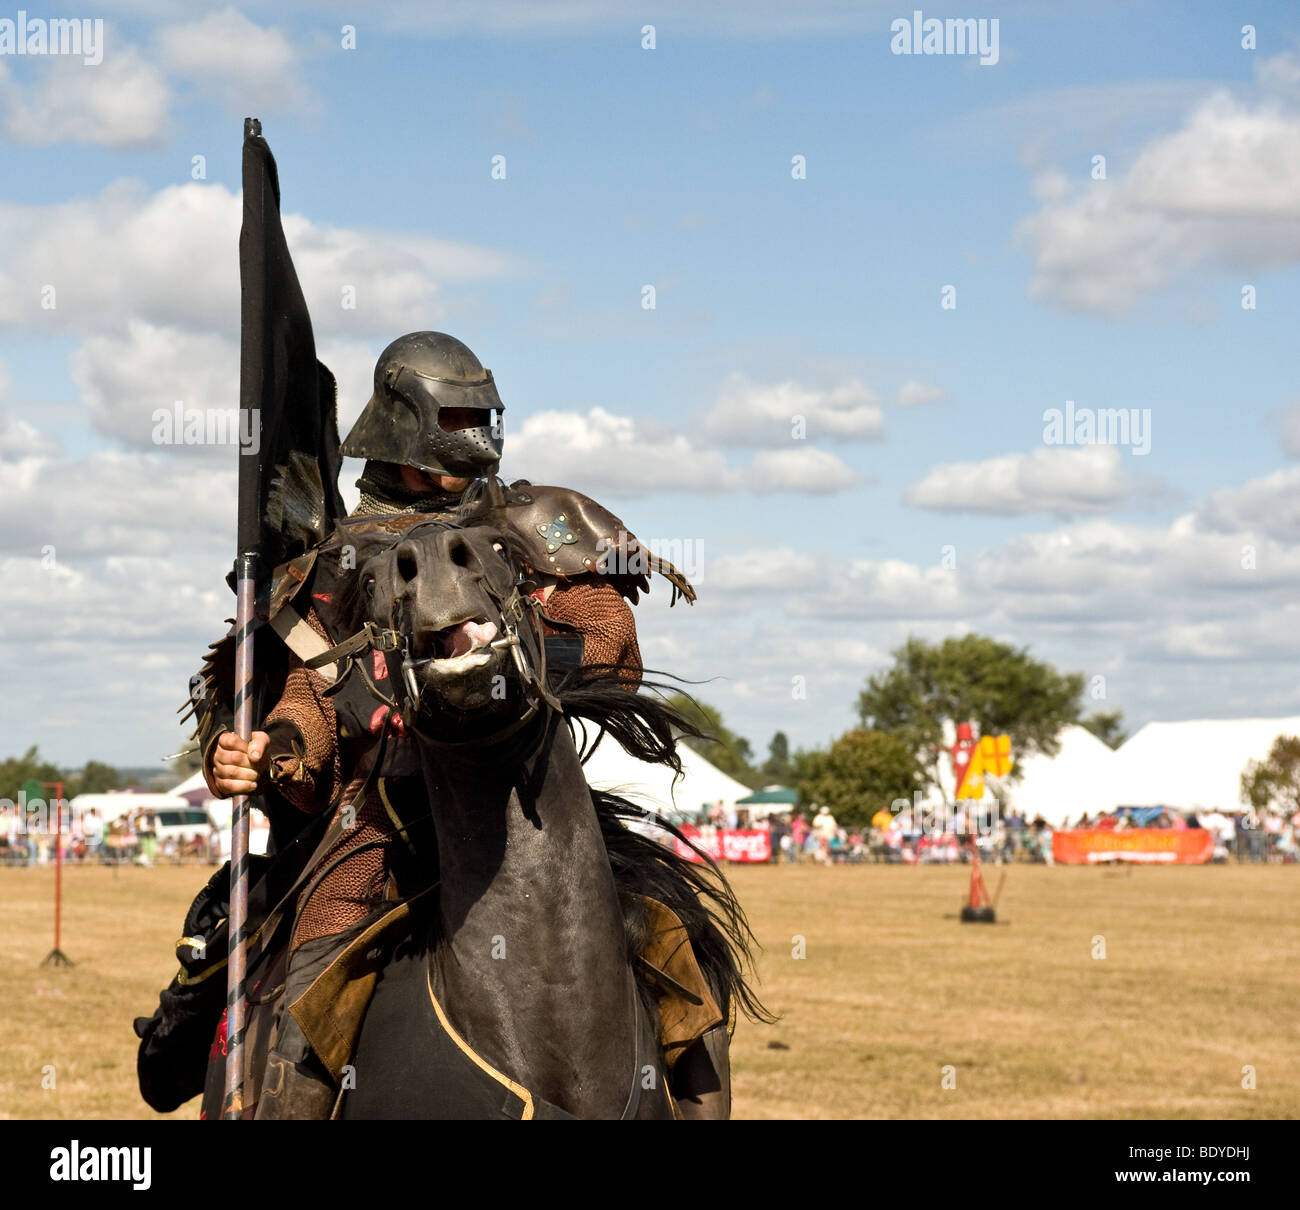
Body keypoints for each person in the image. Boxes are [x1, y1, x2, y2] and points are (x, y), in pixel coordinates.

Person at [193, 331, 694, 1118]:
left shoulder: (529, 522)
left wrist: (519, 648)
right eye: (454, 417)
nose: (474, 436)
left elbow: (608, 633)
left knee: (676, 945)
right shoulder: (333, 565)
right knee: (304, 1011)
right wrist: (267, 752)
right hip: (384, 824)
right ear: (403, 423)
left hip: (529, 806)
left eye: (480, 416)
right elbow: (309, 700)